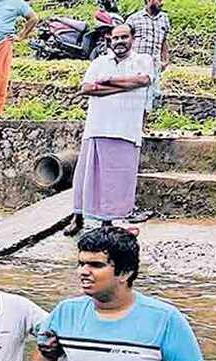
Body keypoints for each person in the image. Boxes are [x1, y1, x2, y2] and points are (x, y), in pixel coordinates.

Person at [30, 227, 206, 361]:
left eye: (96, 265)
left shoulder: (165, 319)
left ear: (125, 273)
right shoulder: (65, 311)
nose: (83, 271)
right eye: (81, 263)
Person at [62, 24, 153, 237]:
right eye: (115, 38)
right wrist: (126, 85)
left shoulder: (143, 60)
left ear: (133, 39)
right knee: (86, 177)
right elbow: (86, 88)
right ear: (110, 40)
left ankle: (108, 222)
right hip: (97, 127)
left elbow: (143, 80)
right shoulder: (100, 62)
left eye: (124, 37)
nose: (119, 41)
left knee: (117, 180)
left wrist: (107, 82)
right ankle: (78, 217)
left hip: (126, 130)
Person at [125, 0, 170, 113]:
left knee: (150, 96)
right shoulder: (134, 19)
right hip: (137, 65)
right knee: (134, 95)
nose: (162, 2)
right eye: (159, 0)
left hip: (154, 65)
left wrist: (165, 59)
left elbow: (164, 40)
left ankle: (144, 126)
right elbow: (125, 40)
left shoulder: (164, 19)